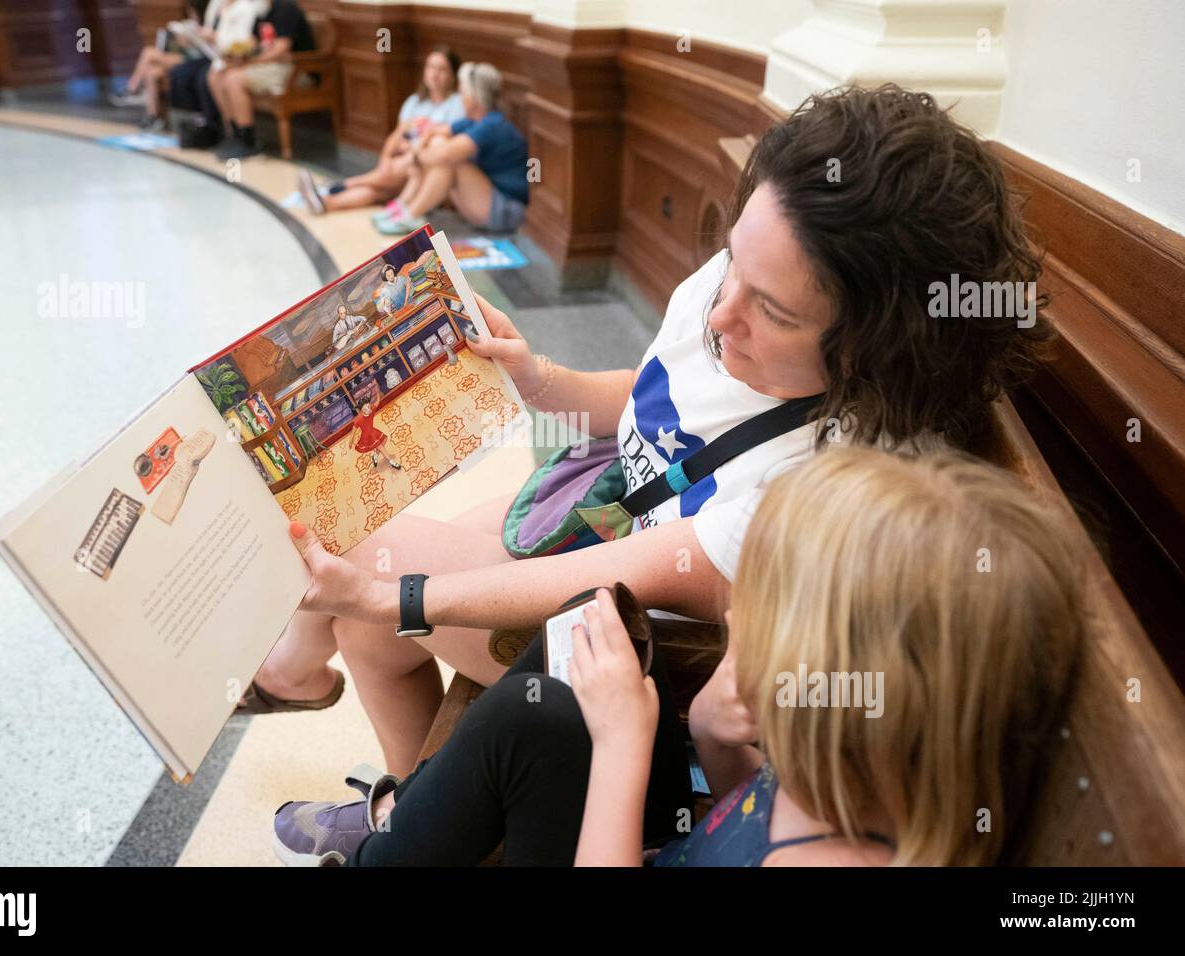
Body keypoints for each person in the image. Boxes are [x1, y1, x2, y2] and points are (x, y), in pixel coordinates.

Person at [240, 85, 1050, 783]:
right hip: (603, 514)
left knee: (364, 574)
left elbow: (633, 574)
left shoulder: (831, 487)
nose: (720, 313)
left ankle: (315, 702)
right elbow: (653, 402)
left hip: (633, 650)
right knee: (369, 619)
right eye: (733, 263)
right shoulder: (749, 273)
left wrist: (393, 595)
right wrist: (538, 376)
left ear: (875, 349)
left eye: (772, 311)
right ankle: (408, 810)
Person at [273, 447, 1087, 866]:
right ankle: (396, 833)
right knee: (567, 665)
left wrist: (628, 746)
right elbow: (737, 816)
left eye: (758, 619)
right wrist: (717, 736)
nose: (733, 620)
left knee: (562, 709)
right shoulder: (846, 777)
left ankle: (393, 837)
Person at [299, 46, 464, 214]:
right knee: (379, 191)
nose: (434, 74)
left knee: (404, 164)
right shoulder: (415, 102)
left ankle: (339, 185)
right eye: (431, 67)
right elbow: (396, 136)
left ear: (452, 75)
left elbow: (448, 144)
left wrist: (414, 147)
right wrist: (385, 159)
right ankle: (327, 203)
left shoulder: (457, 104)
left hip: (428, 169)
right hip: (404, 167)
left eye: (441, 69)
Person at [373, 62, 528, 235]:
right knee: (439, 145)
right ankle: (404, 206)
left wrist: (415, 155)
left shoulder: (492, 124)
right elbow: (433, 133)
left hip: (505, 211)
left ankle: (410, 214)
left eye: (463, 93)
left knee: (449, 161)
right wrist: (420, 150)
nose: (461, 99)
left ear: (476, 97)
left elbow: (444, 154)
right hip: (484, 205)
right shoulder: (472, 121)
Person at [208, 0, 316, 161]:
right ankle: (234, 134)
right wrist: (239, 54)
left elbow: (280, 48)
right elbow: (254, 42)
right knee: (217, 75)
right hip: (265, 65)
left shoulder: (286, 8)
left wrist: (249, 62)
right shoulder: (259, 10)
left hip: (293, 69)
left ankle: (248, 140)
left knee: (233, 80)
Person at [110, 0, 214, 131]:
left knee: (149, 53)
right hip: (184, 58)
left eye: (193, 12)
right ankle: (153, 116)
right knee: (152, 72)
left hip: (199, 59)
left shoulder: (210, 23)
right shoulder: (188, 25)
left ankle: (131, 90)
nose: (191, 14)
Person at [350, 398, 402, 471]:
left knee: (385, 439)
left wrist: (377, 391)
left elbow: (377, 401)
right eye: (365, 409)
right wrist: (350, 442)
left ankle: (375, 455)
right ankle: (392, 462)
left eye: (368, 406)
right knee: (380, 446)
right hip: (367, 436)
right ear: (361, 411)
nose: (368, 409)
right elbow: (353, 432)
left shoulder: (372, 409)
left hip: (373, 431)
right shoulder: (358, 419)